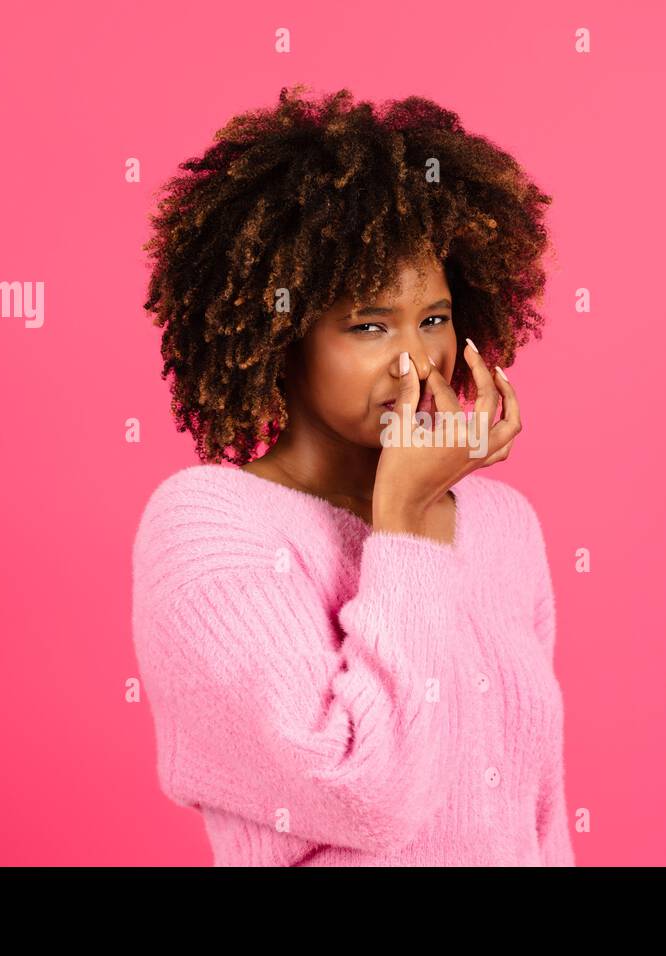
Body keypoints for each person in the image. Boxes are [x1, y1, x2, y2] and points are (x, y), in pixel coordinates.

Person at [131, 85, 574, 865]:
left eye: (433, 319)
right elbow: (364, 796)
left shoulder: (506, 527)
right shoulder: (209, 526)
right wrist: (404, 521)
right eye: (368, 325)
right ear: (284, 336)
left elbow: (540, 814)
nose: (414, 360)